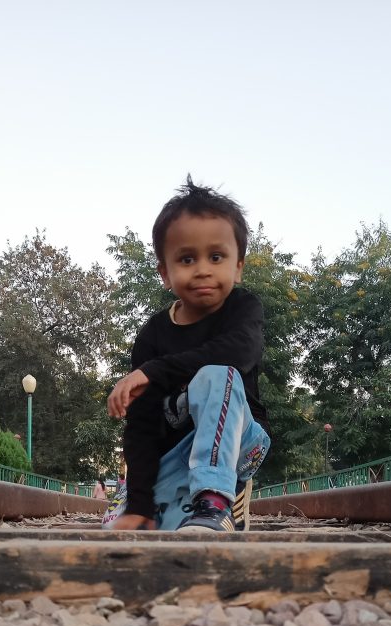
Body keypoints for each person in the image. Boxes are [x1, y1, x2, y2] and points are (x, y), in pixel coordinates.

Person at [103, 175, 270, 532]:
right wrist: (141, 504)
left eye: (216, 256)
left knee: (216, 374)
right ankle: (189, 508)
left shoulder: (243, 308)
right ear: (165, 273)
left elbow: (241, 352)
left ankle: (217, 499)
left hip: (241, 444)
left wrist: (154, 371)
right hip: (181, 458)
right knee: (131, 529)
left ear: (238, 266)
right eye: (187, 259)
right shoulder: (152, 335)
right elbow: (142, 424)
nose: (203, 269)